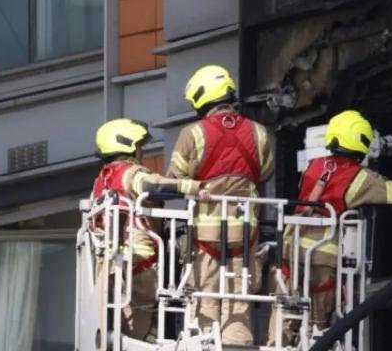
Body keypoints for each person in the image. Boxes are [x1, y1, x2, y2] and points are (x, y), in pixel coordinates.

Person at [274, 109, 392, 343]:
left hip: (291, 251)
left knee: (284, 319)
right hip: (322, 259)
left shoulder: (313, 166)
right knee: (317, 329)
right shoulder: (360, 178)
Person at [168, 64, 274, 345]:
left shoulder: (192, 134)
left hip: (205, 237)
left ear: (202, 98)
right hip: (245, 234)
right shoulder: (260, 132)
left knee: (204, 301)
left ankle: (204, 345)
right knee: (239, 306)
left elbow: (175, 179)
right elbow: (265, 173)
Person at [91, 118, 205, 341]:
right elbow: (153, 185)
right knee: (142, 333)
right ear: (127, 145)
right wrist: (194, 188)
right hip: (140, 268)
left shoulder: (101, 181)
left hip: (112, 271)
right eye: (139, 145)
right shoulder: (129, 173)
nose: (142, 151)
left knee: (122, 331)